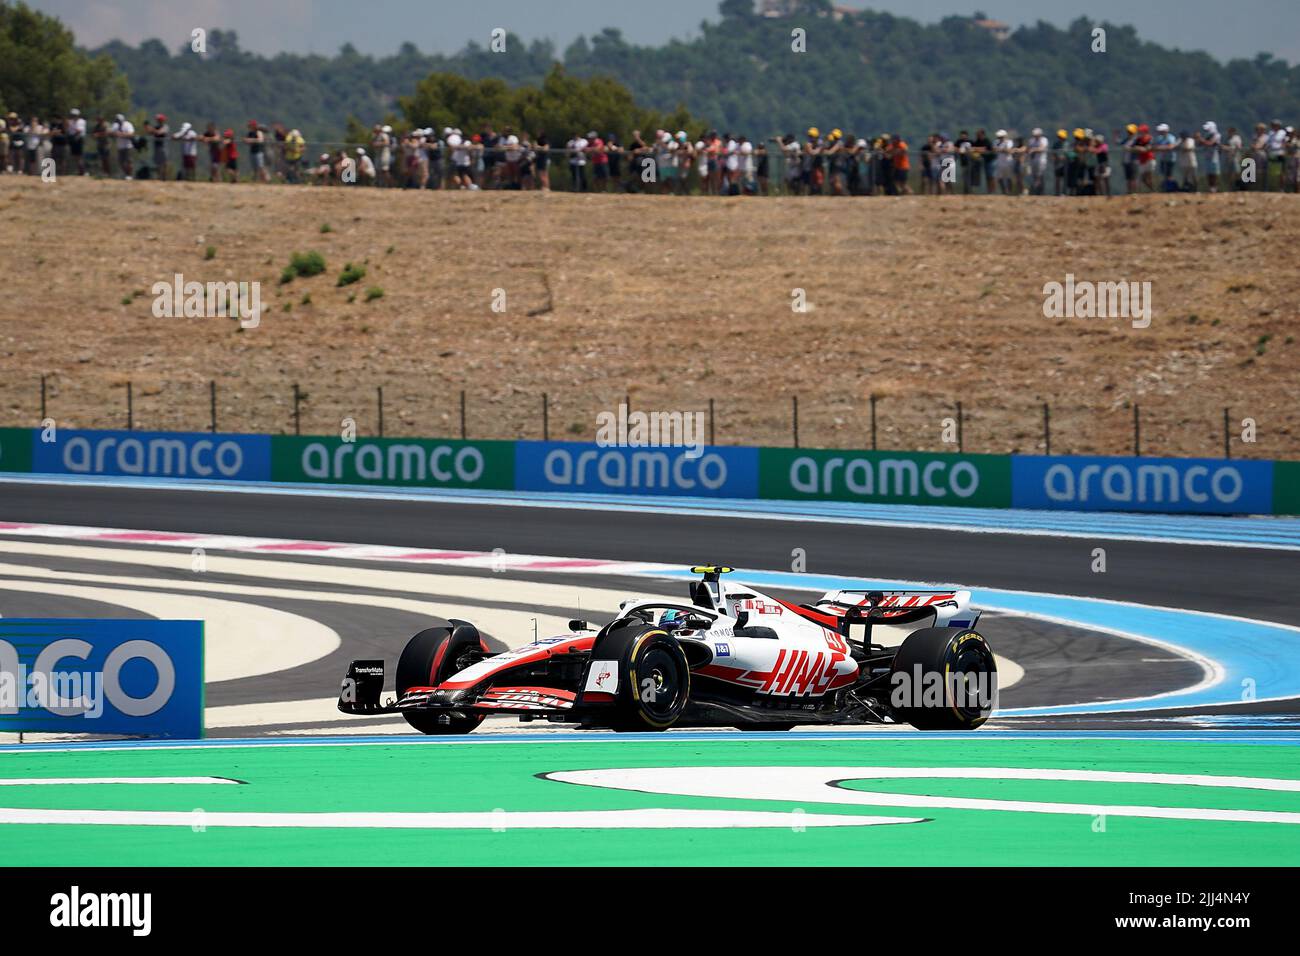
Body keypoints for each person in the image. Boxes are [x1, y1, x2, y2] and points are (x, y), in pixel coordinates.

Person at [145, 113, 170, 180]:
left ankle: (164, 177)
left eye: (159, 119)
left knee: (164, 162)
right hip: (157, 147)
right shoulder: (156, 127)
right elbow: (150, 132)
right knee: (158, 163)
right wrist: (147, 127)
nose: (158, 121)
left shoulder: (165, 127)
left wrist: (152, 129)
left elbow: (159, 132)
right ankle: (159, 176)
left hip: (163, 146)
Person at [111, 113, 134, 179]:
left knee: (129, 161)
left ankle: (129, 175)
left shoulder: (128, 125)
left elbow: (131, 134)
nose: (118, 122)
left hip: (128, 146)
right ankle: (125, 174)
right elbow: (112, 133)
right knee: (120, 162)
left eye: (118, 120)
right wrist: (114, 134)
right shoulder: (115, 126)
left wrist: (121, 134)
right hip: (120, 146)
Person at [68, 108, 86, 175]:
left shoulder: (81, 121)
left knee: (79, 156)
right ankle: (79, 171)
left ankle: (82, 171)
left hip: (78, 139)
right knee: (75, 156)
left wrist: (72, 126)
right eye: (72, 115)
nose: (73, 116)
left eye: (74, 115)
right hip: (72, 138)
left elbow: (79, 130)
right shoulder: (71, 121)